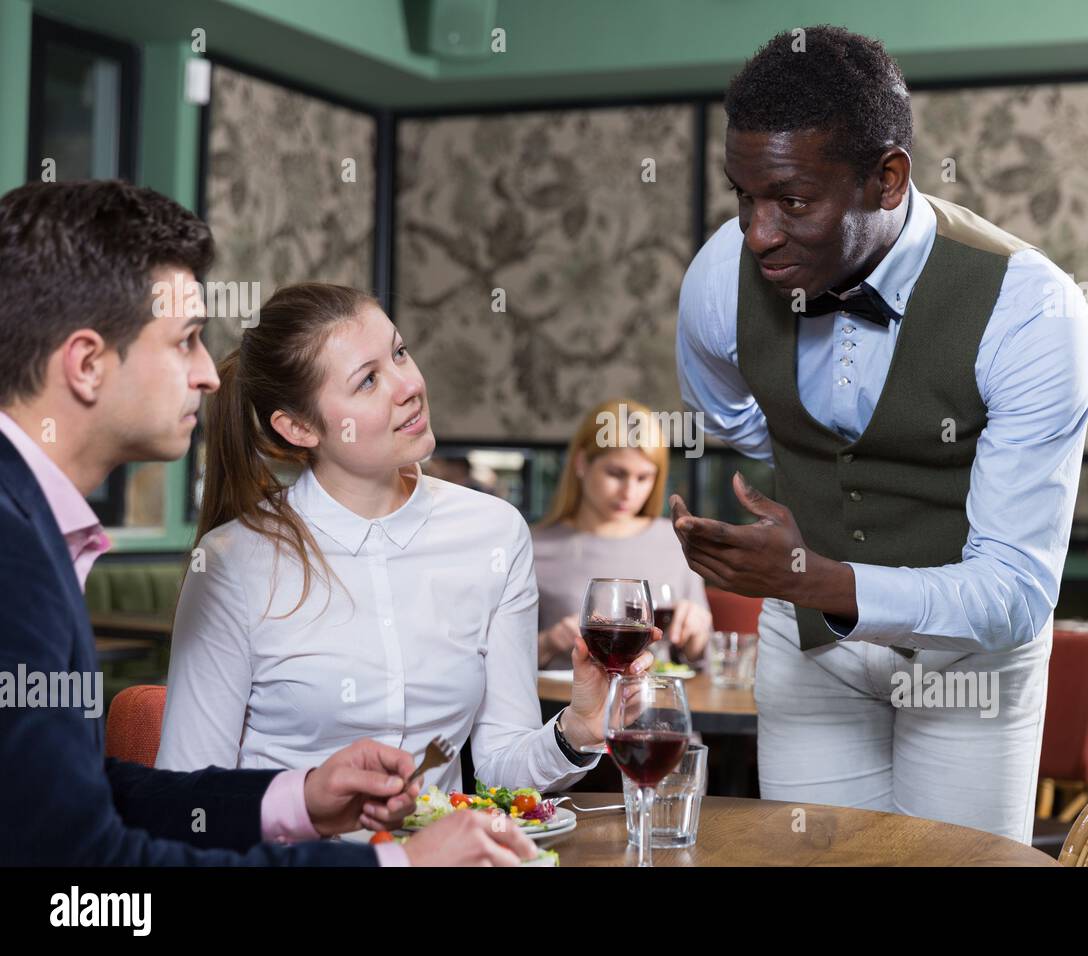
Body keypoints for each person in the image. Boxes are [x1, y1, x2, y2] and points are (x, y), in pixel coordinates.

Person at [0, 179, 535, 865]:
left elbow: (76, 800)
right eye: (187, 341)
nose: (211, 375)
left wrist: (297, 797)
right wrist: (393, 864)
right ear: (87, 364)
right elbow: (85, 880)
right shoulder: (15, 555)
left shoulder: (33, 531)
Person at [671, 27, 1088, 844]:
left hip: (968, 663)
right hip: (810, 651)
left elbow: (1013, 593)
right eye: (743, 196)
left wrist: (827, 579)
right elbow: (737, 419)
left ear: (887, 178)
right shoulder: (720, 278)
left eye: (792, 201)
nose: (758, 232)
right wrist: (818, 472)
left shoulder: (1032, 309)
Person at [155, 285, 655, 800]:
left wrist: (577, 730)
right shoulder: (230, 564)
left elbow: (500, 764)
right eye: (368, 380)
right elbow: (188, 793)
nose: (408, 384)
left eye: (399, 352)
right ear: (300, 427)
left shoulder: (494, 533)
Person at [532, 398, 712, 670]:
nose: (629, 492)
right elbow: (500, 665)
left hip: (658, 704)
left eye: (644, 478)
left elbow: (706, 661)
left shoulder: (676, 541)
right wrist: (550, 641)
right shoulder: (535, 545)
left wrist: (697, 637)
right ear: (581, 463)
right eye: (616, 474)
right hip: (563, 707)